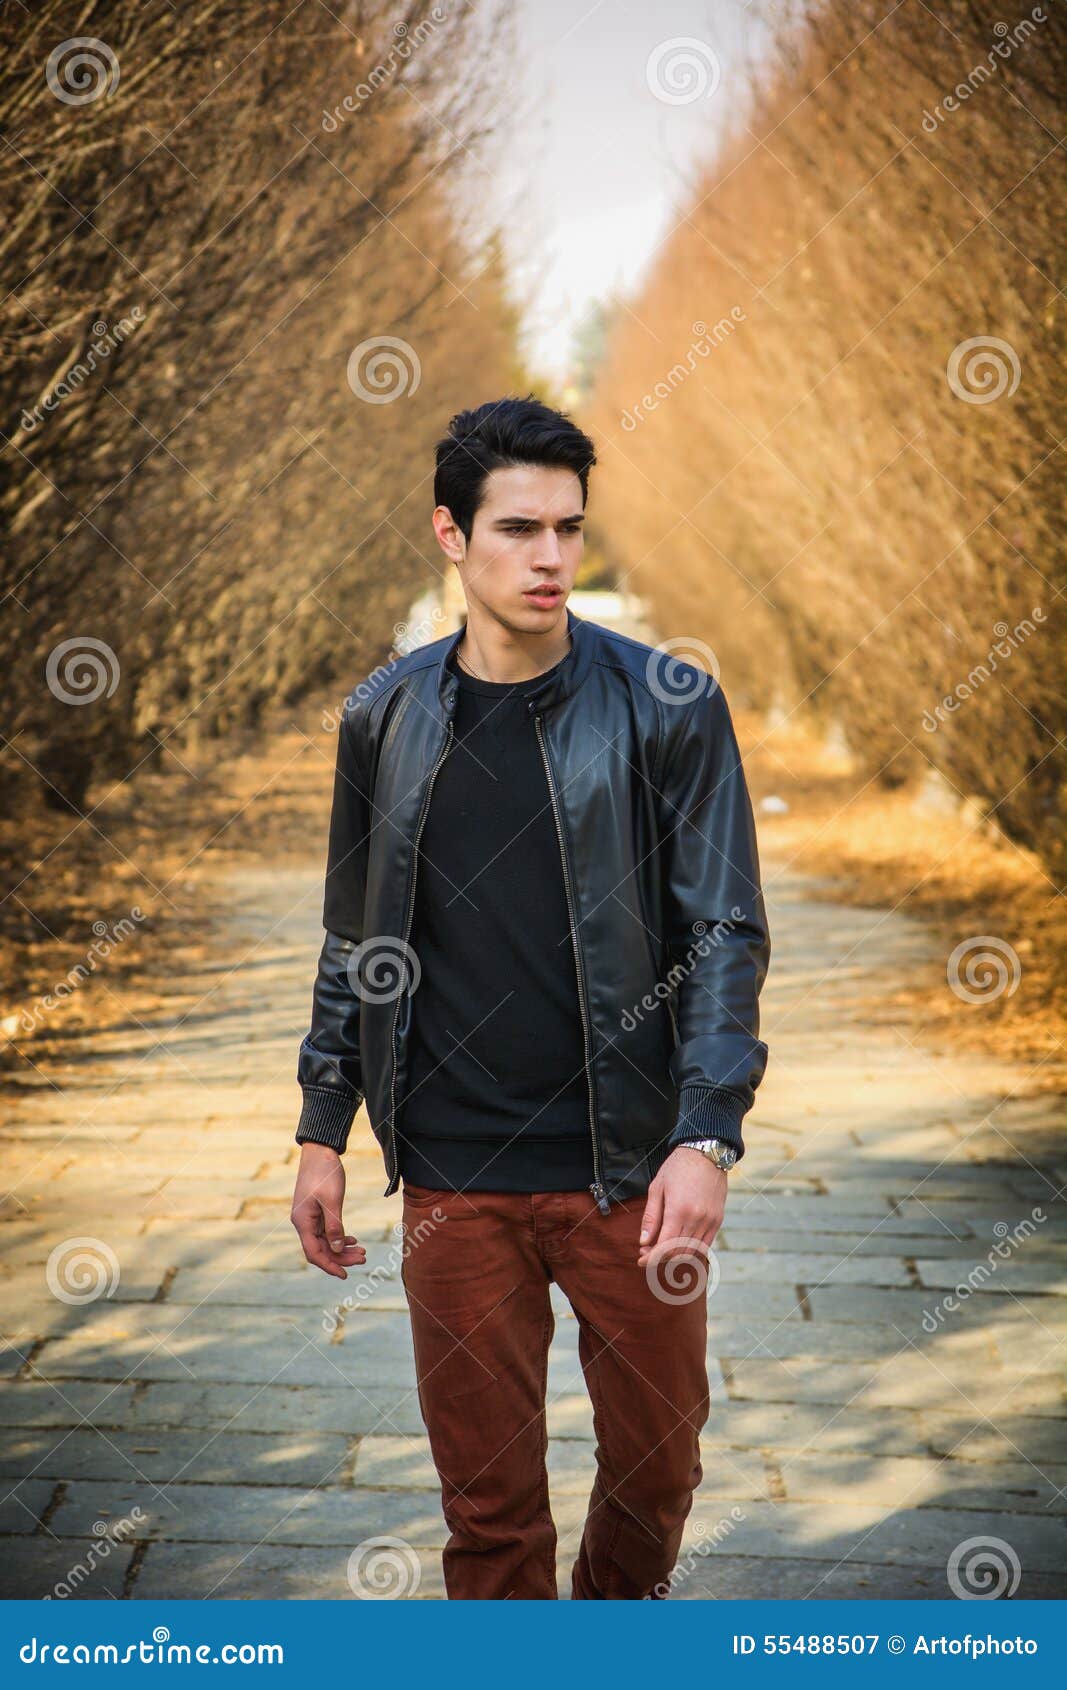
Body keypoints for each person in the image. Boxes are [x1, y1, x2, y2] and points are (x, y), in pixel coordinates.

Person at [290, 395, 771, 1599]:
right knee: (489, 1513)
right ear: (450, 535)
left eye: (567, 527)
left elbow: (722, 928)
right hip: (456, 1179)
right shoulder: (383, 715)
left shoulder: (667, 703)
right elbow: (355, 938)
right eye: (517, 527)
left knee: (657, 1472)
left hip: (632, 1170)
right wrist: (318, 1123)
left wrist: (707, 1131)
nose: (551, 556)